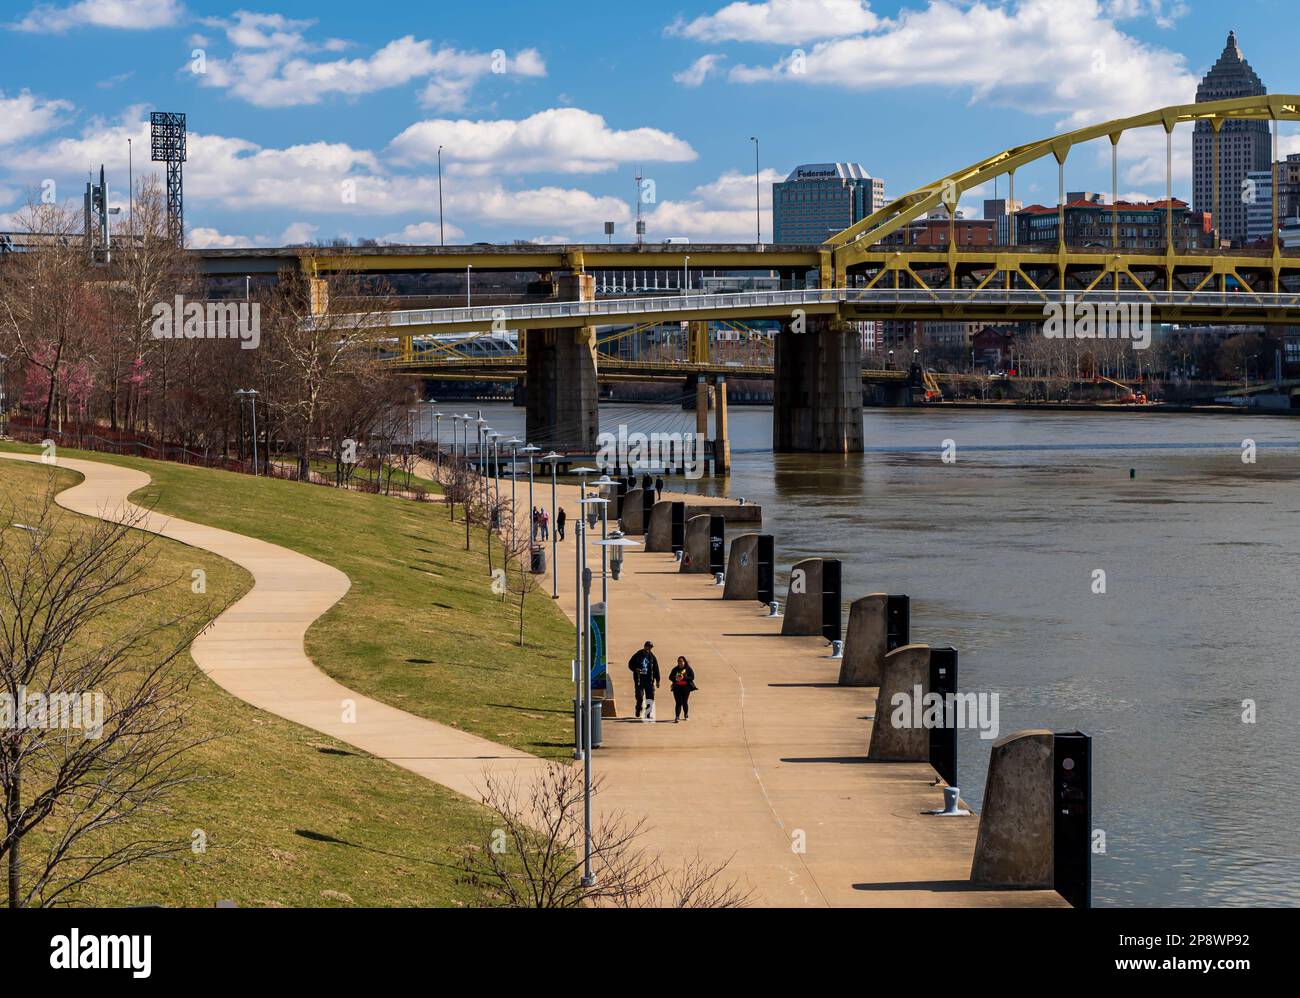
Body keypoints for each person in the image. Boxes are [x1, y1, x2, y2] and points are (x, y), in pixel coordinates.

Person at [627, 641, 659, 720]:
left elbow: (656, 669)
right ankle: (638, 709)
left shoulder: (652, 657)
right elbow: (630, 664)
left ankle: (647, 714)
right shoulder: (637, 655)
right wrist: (635, 669)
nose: (649, 648)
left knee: (650, 697)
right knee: (639, 697)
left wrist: (658, 680)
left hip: (649, 681)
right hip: (639, 680)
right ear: (644, 646)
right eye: (648, 646)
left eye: (650, 647)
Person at [668, 656, 695, 722]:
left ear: (684, 662)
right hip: (677, 688)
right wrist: (676, 679)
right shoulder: (675, 669)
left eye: (681, 661)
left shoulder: (688, 669)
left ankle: (686, 715)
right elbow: (670, 677)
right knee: (678, 702)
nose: (680, 663)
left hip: (686, 688)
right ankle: (677, 717)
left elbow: (692, 677)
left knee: (685, 702)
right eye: (679, 661)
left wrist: (684, 678)